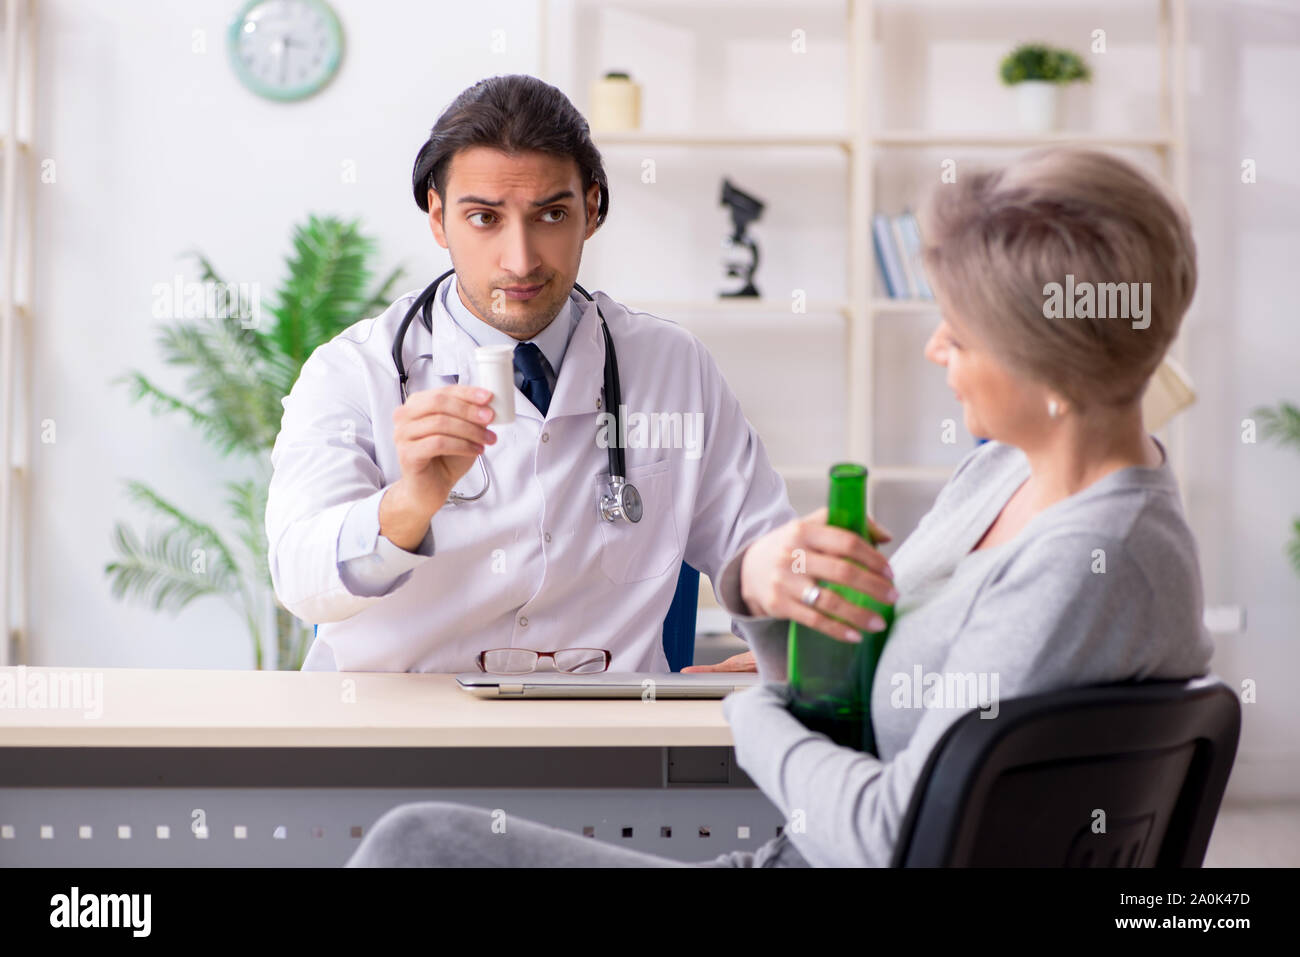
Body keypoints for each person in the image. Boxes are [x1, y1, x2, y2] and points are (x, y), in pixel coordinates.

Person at [345, 146, 1214, 867]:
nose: (935, 346)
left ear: (1046, 351)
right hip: (785, 849)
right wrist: (789, 644)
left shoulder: (1093, 564)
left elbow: (891, 833)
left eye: (963, 327)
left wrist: (754, 709)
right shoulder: (1004, 475)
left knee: (417, 848)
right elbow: (872, 660)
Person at [264, 74, 825, 673]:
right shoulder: (354, 372)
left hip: (606, 745)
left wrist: (788, 639)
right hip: (405, 744)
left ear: (593, 209)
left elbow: (757, 547)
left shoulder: (671, 366)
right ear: (437, 217)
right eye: (484, 218)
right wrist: (409, 503)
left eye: (551, 214)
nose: (521, 259)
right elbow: (301, 579)